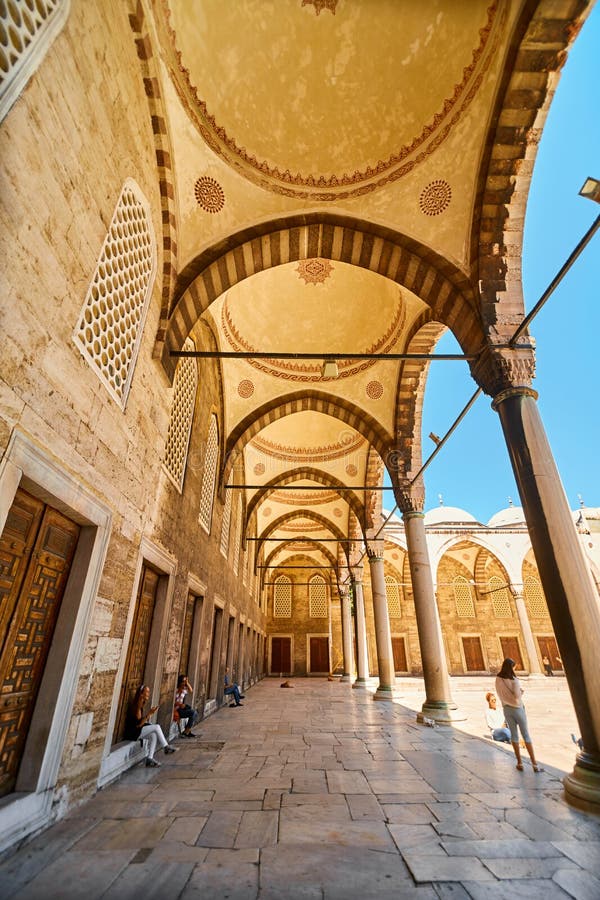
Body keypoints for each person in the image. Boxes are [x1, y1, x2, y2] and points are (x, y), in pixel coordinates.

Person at [495, 658, 542, 772]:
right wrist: (521, 692)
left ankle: (519, 762)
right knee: (526, 735)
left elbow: (499, 694)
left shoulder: (498, 679)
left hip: (506, 709)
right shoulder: (514, 680)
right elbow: (517, 697)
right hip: (517, 709)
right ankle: (534, 764)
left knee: (514, 736)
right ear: (511, 667)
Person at [124, 684, 177, 767]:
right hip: (133, 733)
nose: (148, 694)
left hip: (136, 731)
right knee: (156, 727)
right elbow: (139, 725)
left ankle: (149, 759)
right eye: (147, 692)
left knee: (153, 735)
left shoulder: (140, 704)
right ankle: (166, 747)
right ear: (141, 694)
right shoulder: (137, 706)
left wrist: (149, 716)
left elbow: (141, 722)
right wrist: (150, 714)